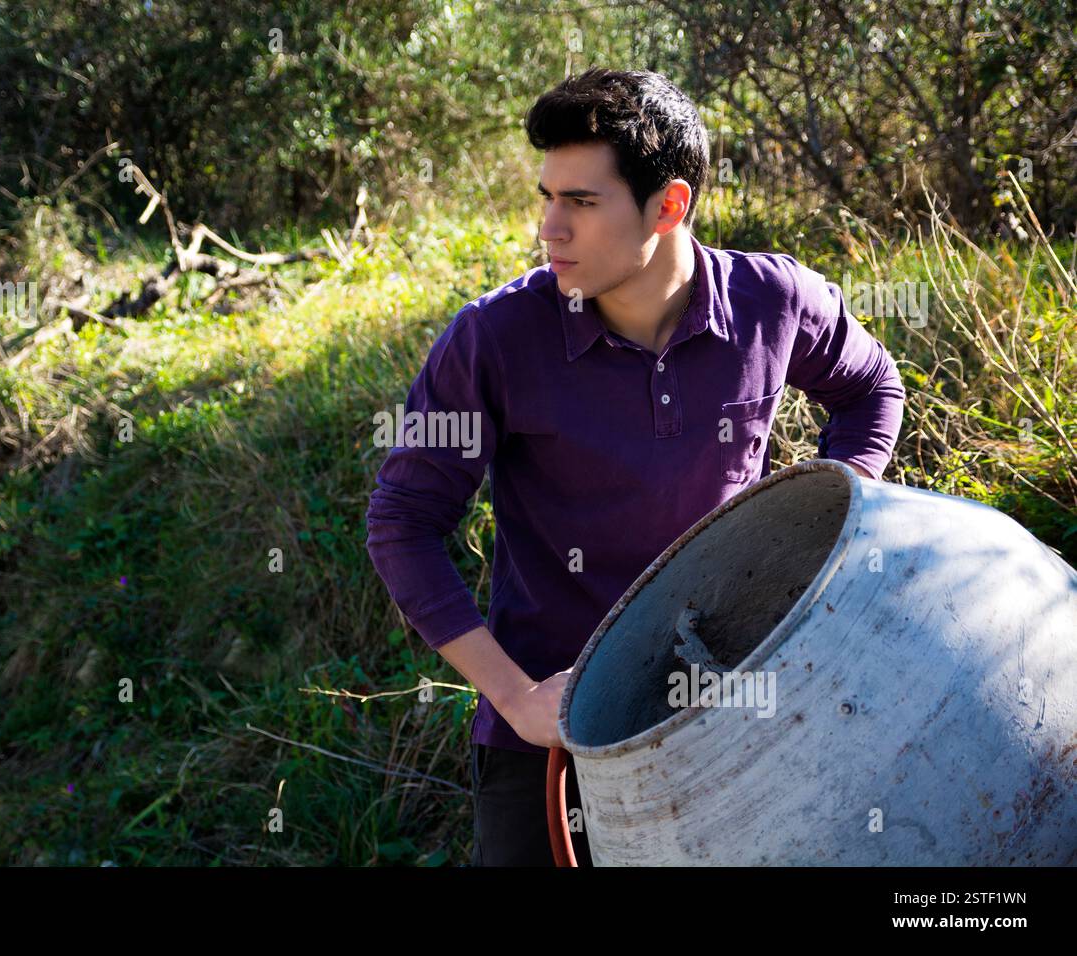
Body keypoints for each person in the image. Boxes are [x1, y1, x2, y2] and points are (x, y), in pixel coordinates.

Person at [364, 68, 905, 866]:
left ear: (670, 204)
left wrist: (826, 533)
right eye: (546, 197)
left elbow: (871, 388)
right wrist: (514, 697)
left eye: (581, 203)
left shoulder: (775, 301)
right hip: (548, 743)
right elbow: (403, 522)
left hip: (726, 707)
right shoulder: (494, 338)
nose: (549, 228)